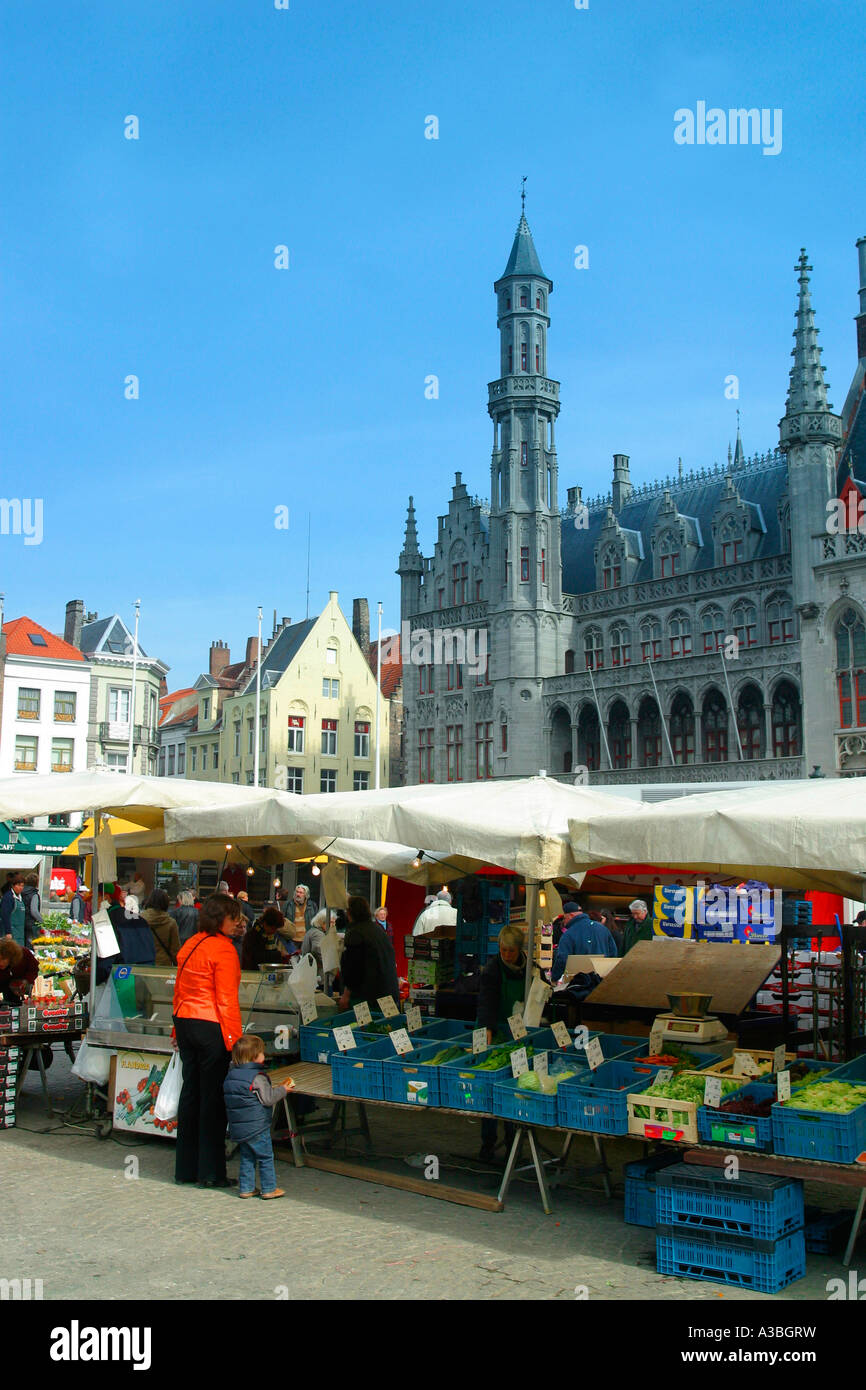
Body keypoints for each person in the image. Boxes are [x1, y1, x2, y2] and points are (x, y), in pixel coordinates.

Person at [172, 892, 244, 1188]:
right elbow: (227, 999)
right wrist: (235, 1041)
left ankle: (185, 1168)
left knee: (191, 1094)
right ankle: (211, 1172)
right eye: (234, 917)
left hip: (185, 1020)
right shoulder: (224, 950)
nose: (238, 923)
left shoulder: (192, 943)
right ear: (221, 919)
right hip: (210, 1024)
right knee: (212, 1099)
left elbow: (179, 988)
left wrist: (176, 1030)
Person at [476, 924, 526, 1163]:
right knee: (489, 1088)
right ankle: (487, 1144)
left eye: (511, 951)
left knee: (513, 1089)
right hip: (492, 1031)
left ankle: (513, 1143)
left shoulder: (529, 967)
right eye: (504, 950)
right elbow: (486, 1001)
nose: (507, 955)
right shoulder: (492, 970)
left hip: (517, 1033)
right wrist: (487, 1029)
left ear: (520, 950)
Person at [223, 1034, 295, 1200]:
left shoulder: (231, 1075)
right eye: (262, 1053)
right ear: (254, 1057)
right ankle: (269, 1188)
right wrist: (283, 1090)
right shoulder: (257, 1077)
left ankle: (246, 1188)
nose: (265, 1055)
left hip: (239, 1126)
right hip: (257, 1125)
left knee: (247, 1157)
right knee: (265, 1157)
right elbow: (268, 1098)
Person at [338, 896, 399, 1011]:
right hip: (389, 994)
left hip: (370, 998)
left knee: (366, 1028)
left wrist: (346, 995)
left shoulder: (355, 932)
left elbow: (353, 968)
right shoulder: (377, 929)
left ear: (350, 913)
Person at [550, 900, 617, 981]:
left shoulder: (568, 934)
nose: (564, 921)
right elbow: (613, 953)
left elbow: (562, 959)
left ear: (571, 915)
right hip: (601, 979)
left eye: (564, 918)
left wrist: (554, 977)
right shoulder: (603, 929)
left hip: (580, 982)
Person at [142, 889, 181, 966]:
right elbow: (175, 949)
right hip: (163, 964)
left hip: (144, 963)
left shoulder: (140, 920)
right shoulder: (171, 923)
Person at [0, 936, 39, 1002]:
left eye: (3, 959)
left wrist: (27, 980)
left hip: (23, 983)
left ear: (11, 956)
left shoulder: (24, 953)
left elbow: (34, 969)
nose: (0, 963)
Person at [0, 874, 26, 947]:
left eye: (22, 886)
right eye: (18, 885)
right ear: (13, 885)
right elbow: (5, 915)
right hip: (11, 933)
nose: (21, 888)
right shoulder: (8, 898)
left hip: (20, 933)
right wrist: (8, 932)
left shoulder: (20, 897)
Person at [21, 873, 43, 948]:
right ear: (36, 882)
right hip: (31, 924)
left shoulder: (21, 892)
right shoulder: (34, 894)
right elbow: (34, 911)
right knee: (31, 946)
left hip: (22, 923)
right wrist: (42, 921)